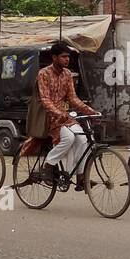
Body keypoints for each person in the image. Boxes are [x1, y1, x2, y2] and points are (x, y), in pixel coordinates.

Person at [34, 41, 98, 190]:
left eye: (68, 57)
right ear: (54, 57)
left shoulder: (68, 74)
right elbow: (45, 99)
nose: (67, 60)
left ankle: (80, 176)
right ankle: (48, 165)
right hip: (48, 117)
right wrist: (58, 113)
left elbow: (72, 98)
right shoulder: (43, 73)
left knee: (82, 139)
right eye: (63, 57)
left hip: (65, 116)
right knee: (69, 138)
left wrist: (90, 111)